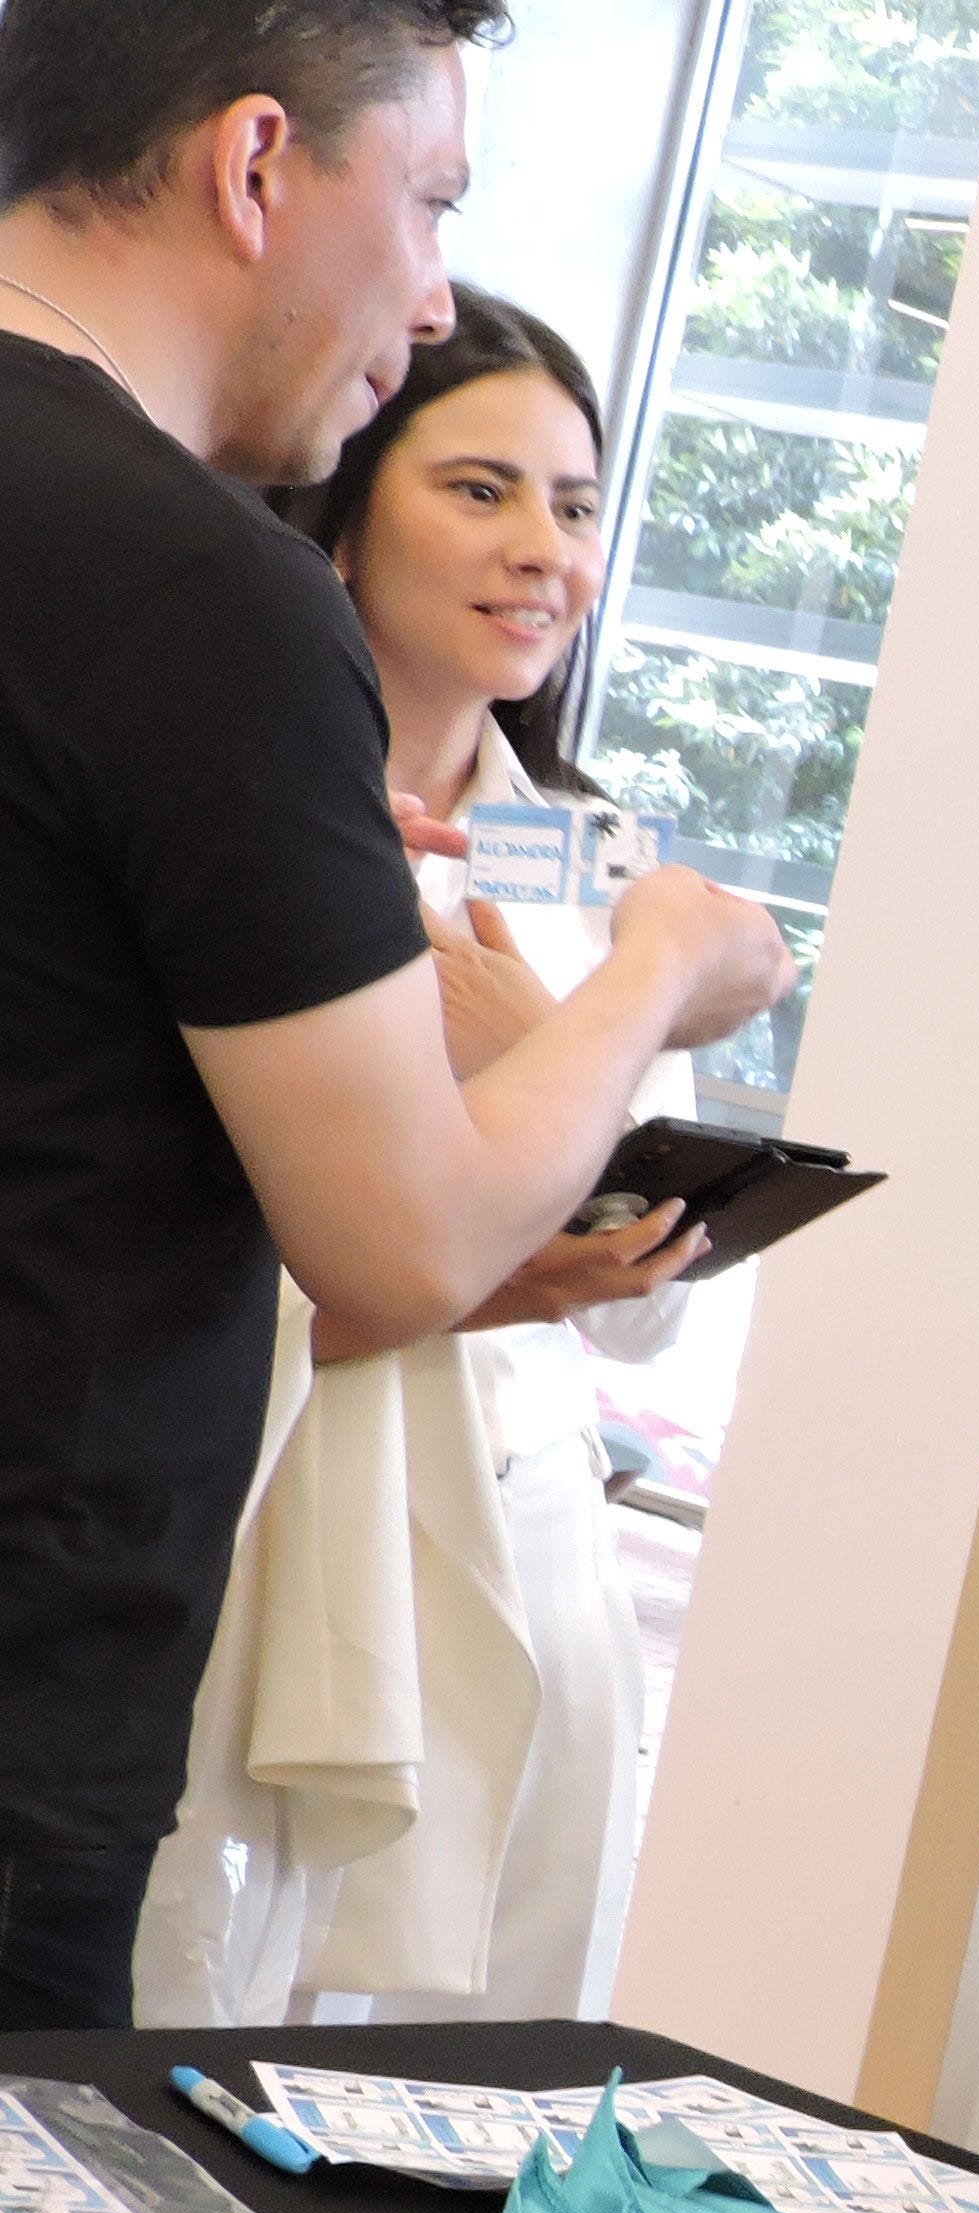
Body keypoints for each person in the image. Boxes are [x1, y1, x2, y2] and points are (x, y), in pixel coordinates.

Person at [0, 0, 790, 2026]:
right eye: (429, 203)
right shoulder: (202, 602)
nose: (432, 293)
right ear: (257, 167)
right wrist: (649, 978)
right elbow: (411, 1234)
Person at [137, 289, 706, 2027]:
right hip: (254, 1513)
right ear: (348, 506)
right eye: (479, 491)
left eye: (577, 503)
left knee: (479, 2064)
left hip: (535, 1526)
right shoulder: (244, 807)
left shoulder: (608, 864)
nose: (542, 549)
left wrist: (559, 1079)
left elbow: (639, 1321)